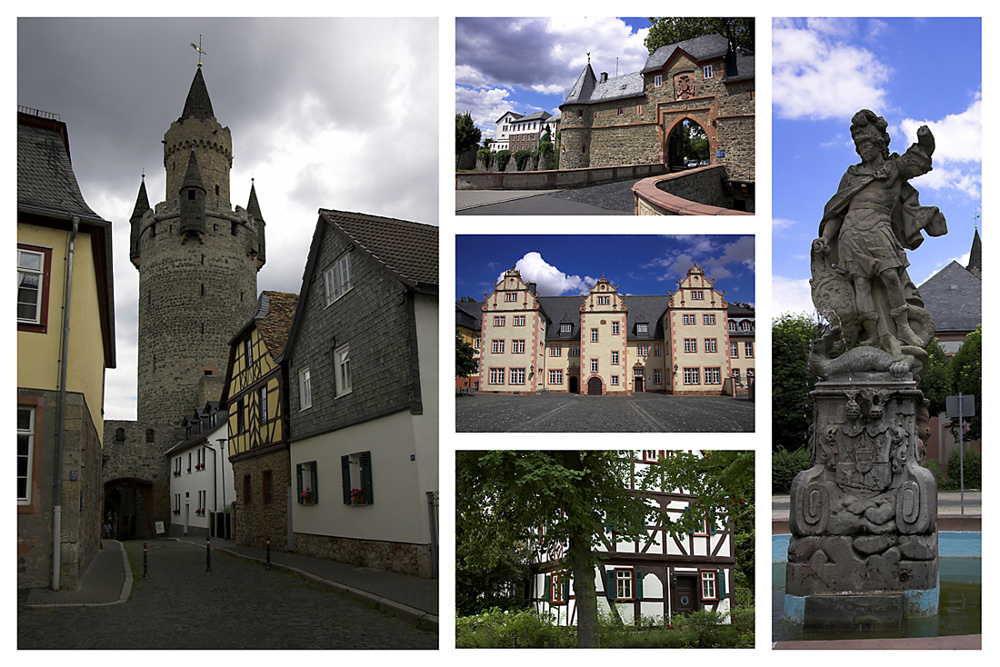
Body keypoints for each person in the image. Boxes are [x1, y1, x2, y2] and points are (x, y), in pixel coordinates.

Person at [813, 109, 946, 354]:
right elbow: (837, 211)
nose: (863, 149)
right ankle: (874, 335)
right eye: (859, 145)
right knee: (861, 285)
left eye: (867, 144)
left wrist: (926, 139)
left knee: (891, 277)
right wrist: (825, 238)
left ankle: (903, 326)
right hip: (851, 232)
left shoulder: (894, 167)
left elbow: (921, 159)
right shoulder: (852, 175)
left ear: (878, 144)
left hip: (880, 227)